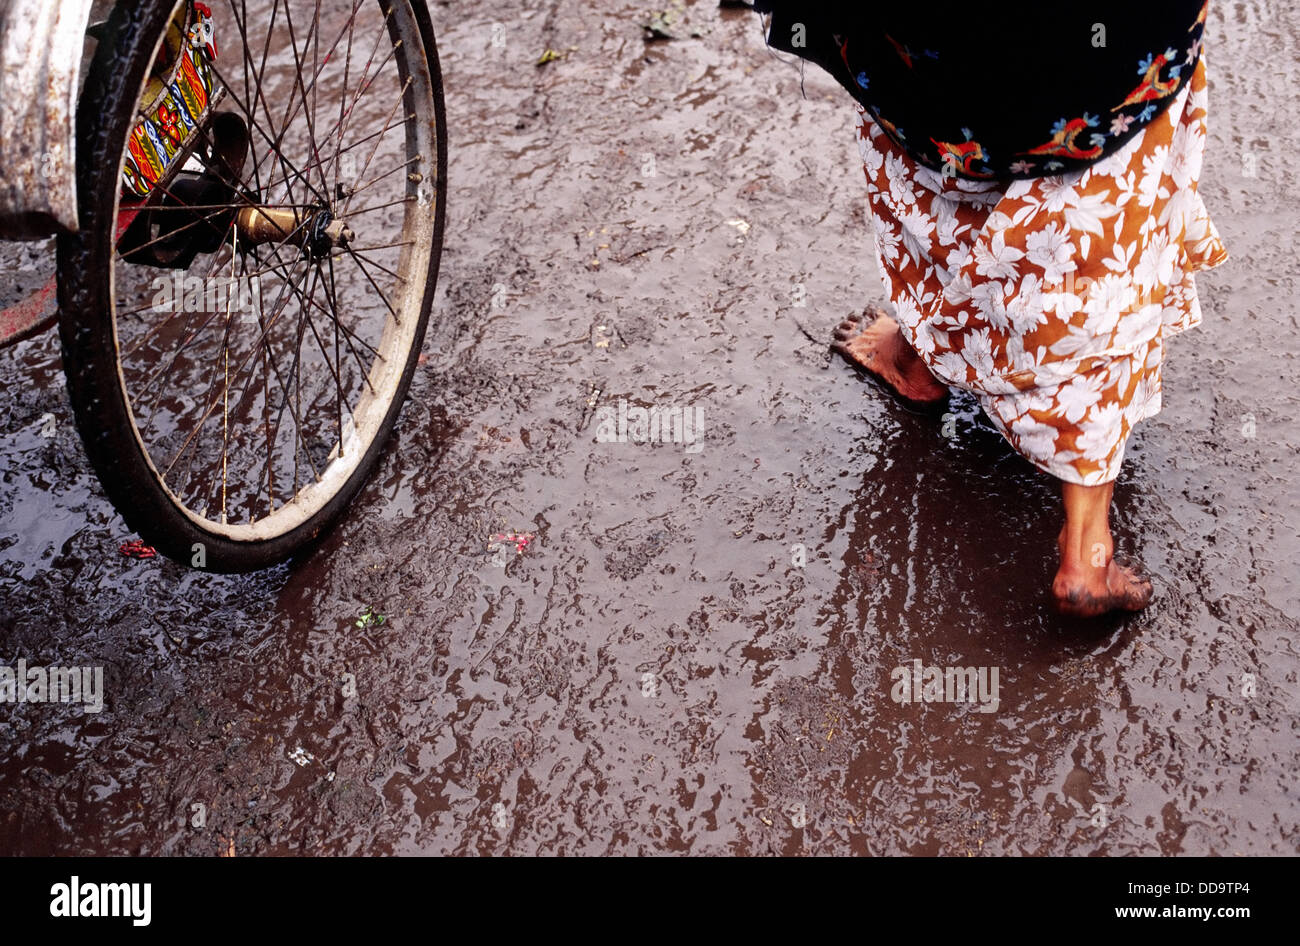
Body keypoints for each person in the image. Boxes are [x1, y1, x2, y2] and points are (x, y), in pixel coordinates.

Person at [756, 1, 1225, 616]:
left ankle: (925, 355)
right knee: (1095, 235)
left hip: (927, 52)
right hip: (1100, 64)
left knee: (935, 139)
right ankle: (1087, 552)